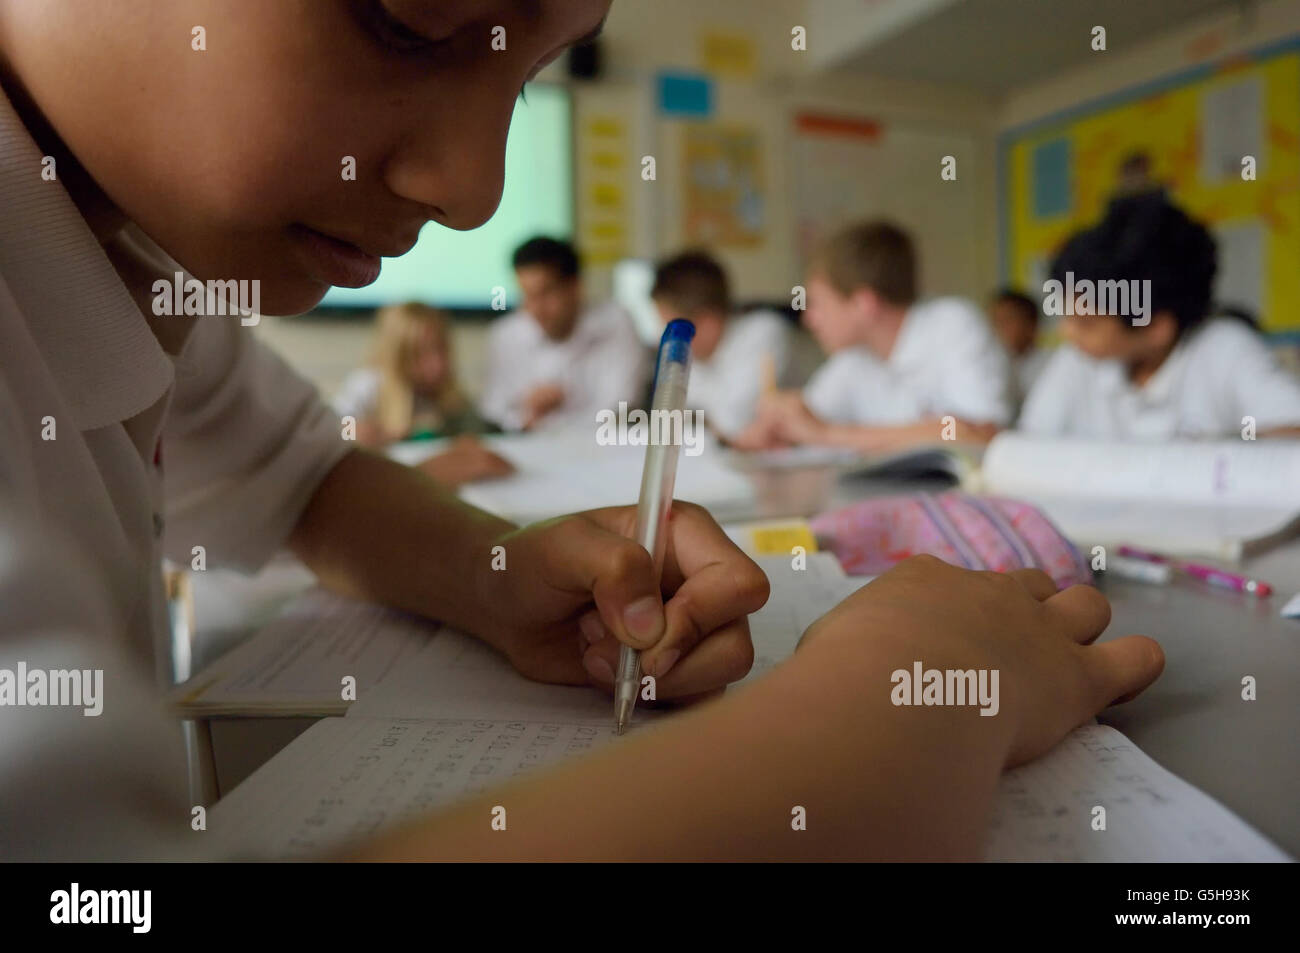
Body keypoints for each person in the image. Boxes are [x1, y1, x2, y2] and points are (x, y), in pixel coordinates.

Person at [0, 0, 1161, 861]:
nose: (475, 187)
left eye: (534, 76)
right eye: (411, 18)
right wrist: (888, 715)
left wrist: (489, 566)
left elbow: (297, 477)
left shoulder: (137, 266)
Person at [1019, 191, 1300, 439]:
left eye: (1086, 323)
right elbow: (1029, 442)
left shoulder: (1225, 349)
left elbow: (1289, 429)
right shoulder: (1077, 359)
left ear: (1156, 327)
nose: (1066, 332)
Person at [734, 221, 1013, 453]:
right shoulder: (854, 358)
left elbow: (980, 434)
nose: (809, 319)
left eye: (817, 304)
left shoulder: (953, 323)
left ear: (863, 304)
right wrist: (780, 425)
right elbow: (808, 422)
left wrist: (826, 434)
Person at [332, 302, 512, 486]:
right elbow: (337, 427)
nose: (438, 363)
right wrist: (356, 432)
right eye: (420, 353)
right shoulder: (367, 384)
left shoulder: (447, 394)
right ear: (397, 353)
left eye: (442, 349)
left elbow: (477, 430)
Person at [480, 236, 647, 431]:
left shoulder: (617, 324)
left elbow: (620, 410)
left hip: (602, 453)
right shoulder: (505, 335)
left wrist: (544, 423)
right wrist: (526, 412)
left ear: (575, 287)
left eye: (546, 293)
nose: (536, 308)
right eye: (527, 295)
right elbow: (495, 411)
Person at [649, 250, 789, 440]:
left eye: (670, 328)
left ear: (708, 322)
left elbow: (734, 422)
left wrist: (700, 421)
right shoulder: (693, 357)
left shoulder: (764, 331)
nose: (663, 339)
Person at [988, 288, 1049, 408]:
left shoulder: (1050, 365)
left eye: (1006, 321)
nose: (997, 329)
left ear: (1032, 325)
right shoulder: (992, 363)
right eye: (995, 321)